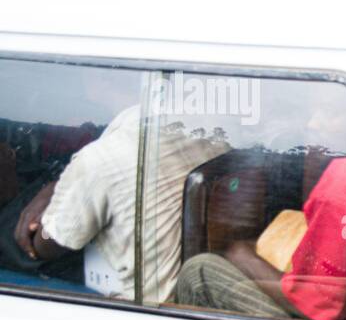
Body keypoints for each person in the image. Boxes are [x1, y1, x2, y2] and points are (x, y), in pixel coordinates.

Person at [174, 101, 346, 320]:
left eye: (331, 113)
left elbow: (320, 302)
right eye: (314, 111)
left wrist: (246, 258)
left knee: (199, 270)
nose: (313, 123)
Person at [12, 101, 230, 304]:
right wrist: (59, 188)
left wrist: (43, 226)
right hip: (193, 293)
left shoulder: (101, 159)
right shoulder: (205, 129)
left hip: (141, 306)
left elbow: (48, 245)